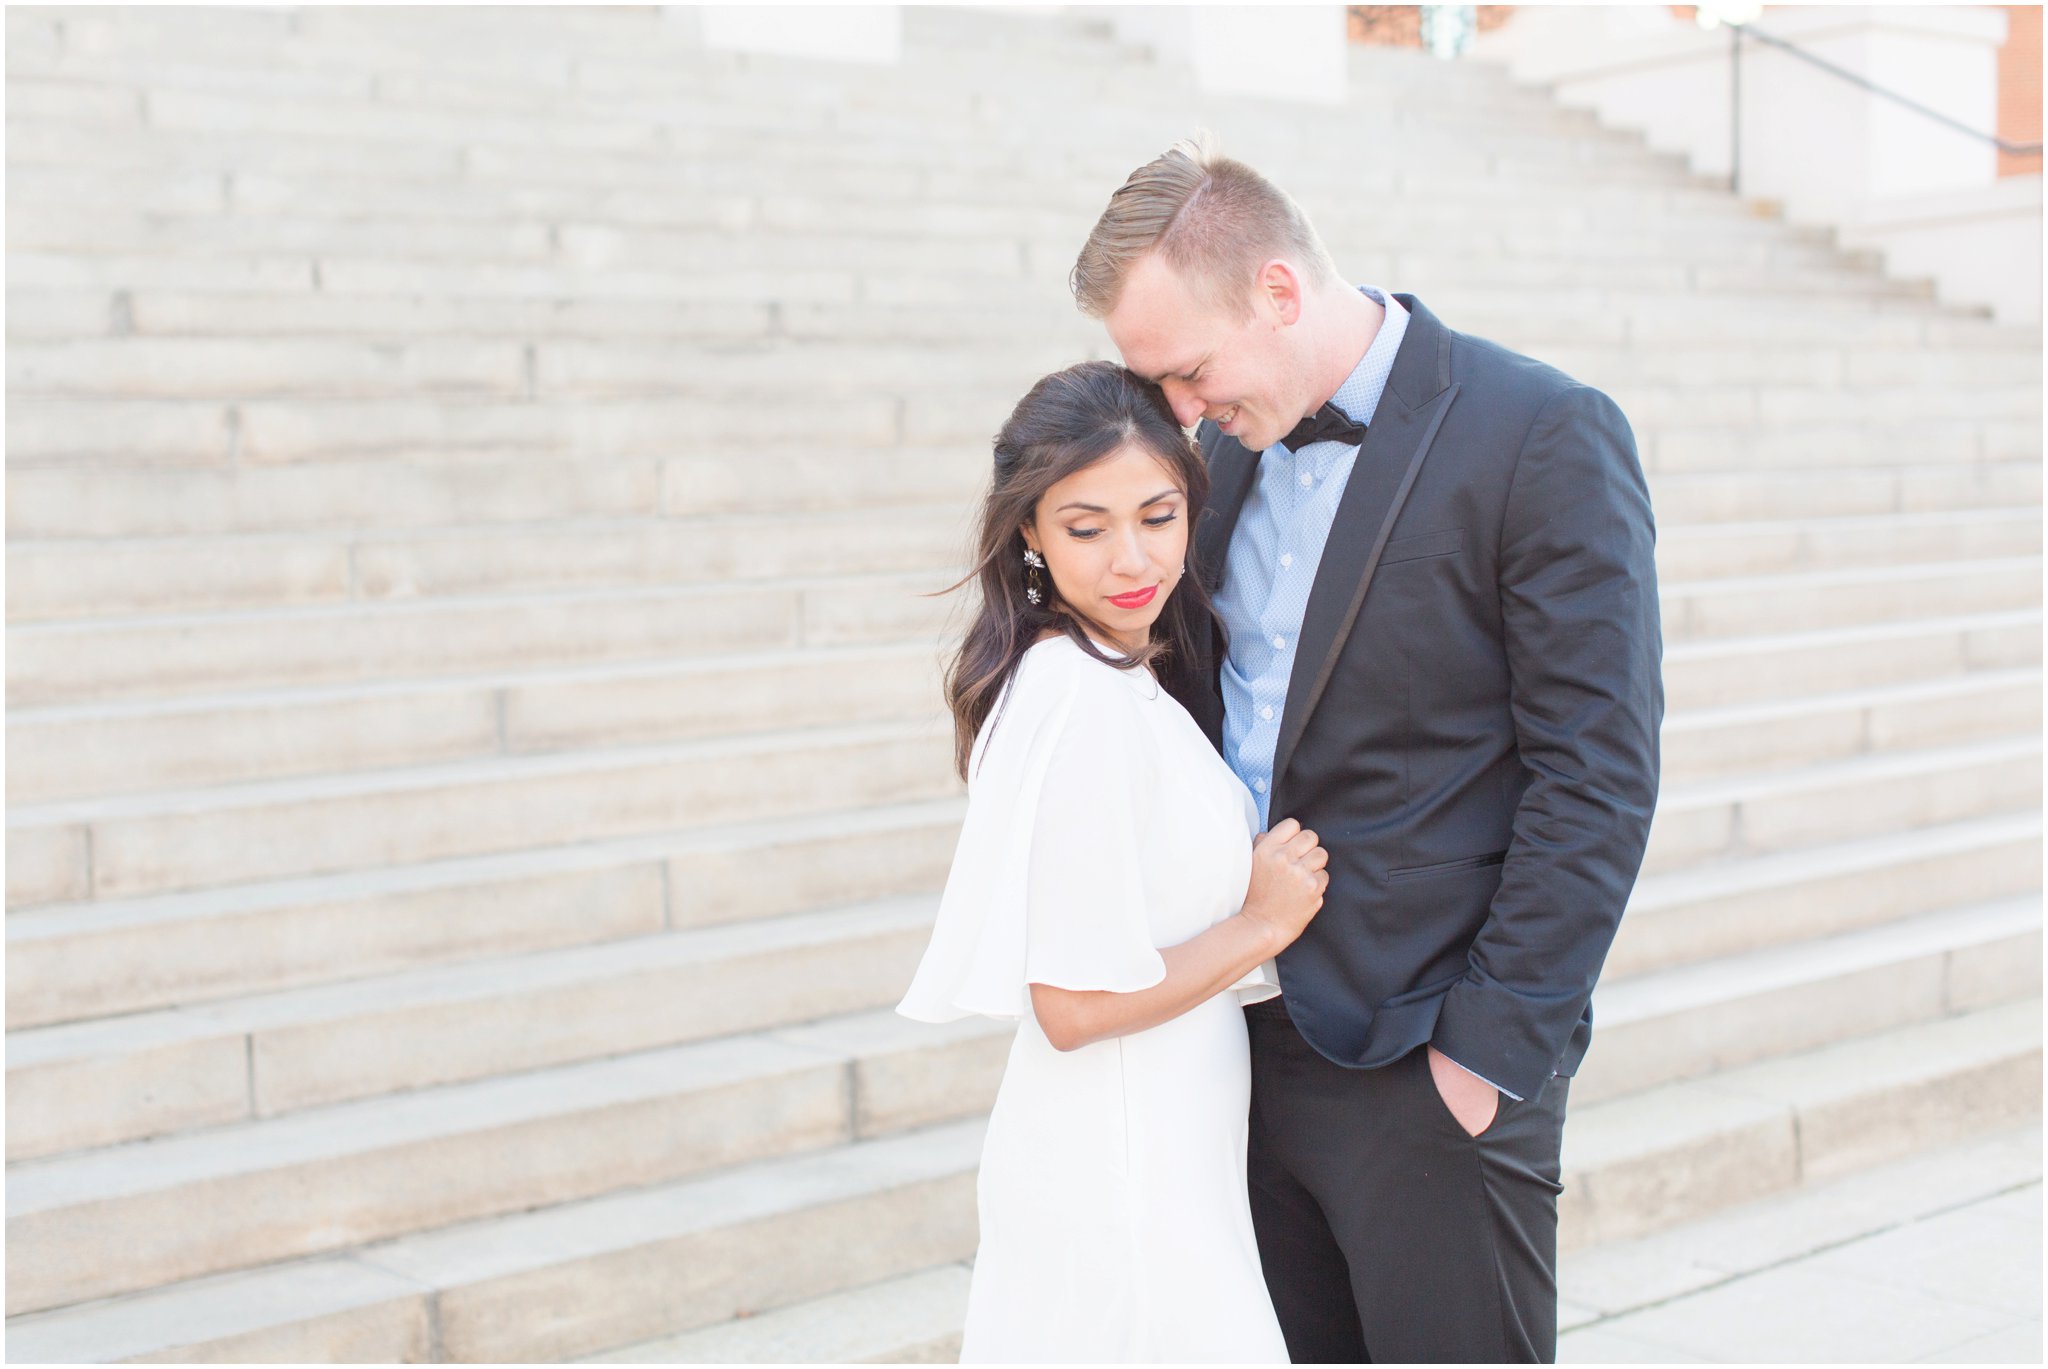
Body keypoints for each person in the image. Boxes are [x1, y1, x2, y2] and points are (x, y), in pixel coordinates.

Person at [1069, 135, 1664, 1364]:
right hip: (1236, 1042)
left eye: (1185, 372)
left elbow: (1595, 773)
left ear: (1276, 291)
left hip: (1426, 1058)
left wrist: (1485, 1059)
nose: (1176, 414)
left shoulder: (1540, 433)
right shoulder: (1219, 459)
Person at [897, 359, 1330, 1362]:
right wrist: (1260, 924)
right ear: (1031, 536)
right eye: (1086, 527)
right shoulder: (1080, 699)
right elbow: (1072, 1004)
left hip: (1158, 1150)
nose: (1130, 558)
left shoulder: (1105, 677)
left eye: (1158, 515)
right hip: (1121, 1174)